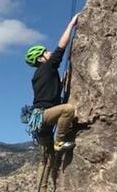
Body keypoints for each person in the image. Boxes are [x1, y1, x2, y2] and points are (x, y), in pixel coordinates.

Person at [24, 13, 79, 152]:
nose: (49, 52)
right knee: (68, 109)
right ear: (41, 59)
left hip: (40, 120)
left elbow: (48, 92)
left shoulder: (40, 74)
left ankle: (52, 172)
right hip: (44, 115)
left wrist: (61, 82)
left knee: (48, 159)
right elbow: (61, 48)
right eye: (45, 52)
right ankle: (59, 141)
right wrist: (71, 25)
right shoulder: (47, 66)